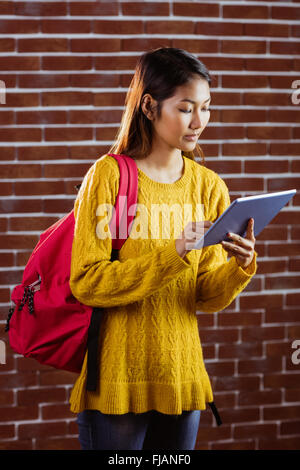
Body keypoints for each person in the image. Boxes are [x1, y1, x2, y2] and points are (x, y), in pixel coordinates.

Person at [69, 47, 257, 450]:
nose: (199, 122)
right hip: (117, 380)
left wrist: (238, 268)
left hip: (181, 378)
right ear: (150, 107)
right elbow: (86, 283)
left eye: (206, 108)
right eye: (186, 108)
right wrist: (173, 252)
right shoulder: (108, 177)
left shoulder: (210, 187)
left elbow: (203, 295)